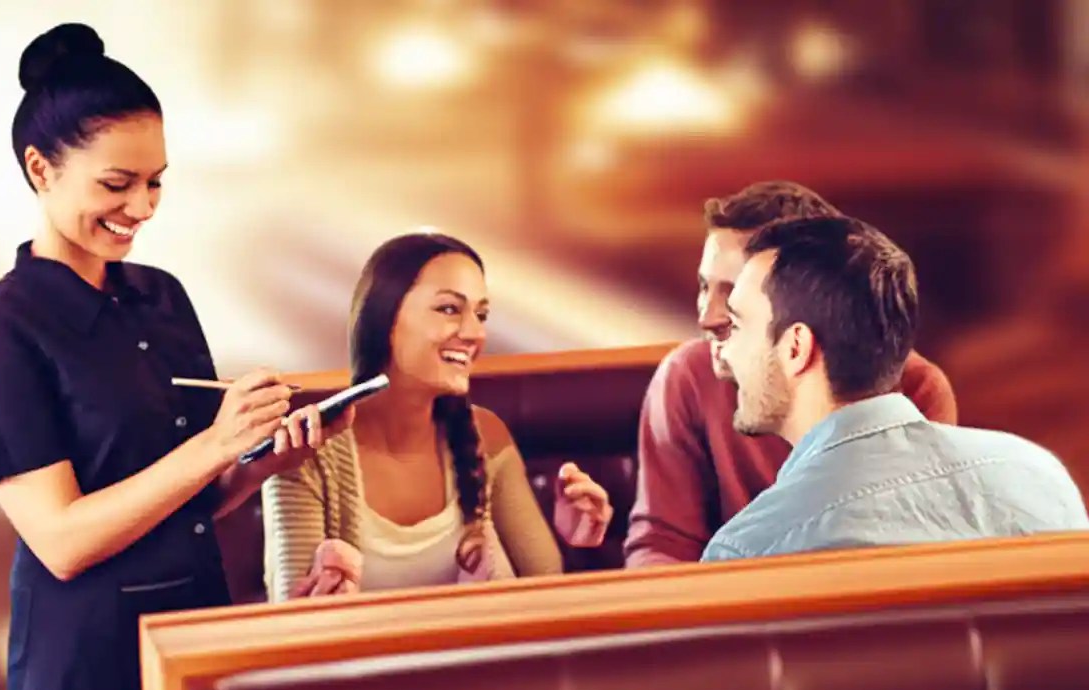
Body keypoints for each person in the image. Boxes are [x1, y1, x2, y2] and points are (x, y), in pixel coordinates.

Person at [0, 24, 347, 690]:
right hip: (85, 664)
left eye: (156, 182)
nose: (142, 208)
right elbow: (63, 541)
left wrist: (260, 461)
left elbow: (197, 500)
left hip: (195, 633)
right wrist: (216, 445)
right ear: (41, 169)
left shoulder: (161, 296)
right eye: (117, 183)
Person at [702, 216, 1088, 561]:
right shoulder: (1037, 474)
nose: (727, 352)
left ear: (796, 348)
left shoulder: (750, 551)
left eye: (737, 326)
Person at [261, 232, 613, 601]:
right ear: (386, 317)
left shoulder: (486, 436)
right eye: (449, 309)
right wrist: (321, 613)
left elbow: (550, 604)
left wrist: (578, 543)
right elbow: (293, 624)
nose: (475, 333)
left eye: (481, 315)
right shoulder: (303, 453)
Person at [624, 181, 958, 566]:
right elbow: (661, 545)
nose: (707, 317)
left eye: (732, 294)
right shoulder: (686, 377)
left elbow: (915, 541)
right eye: (704, 287)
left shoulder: (916, 387)